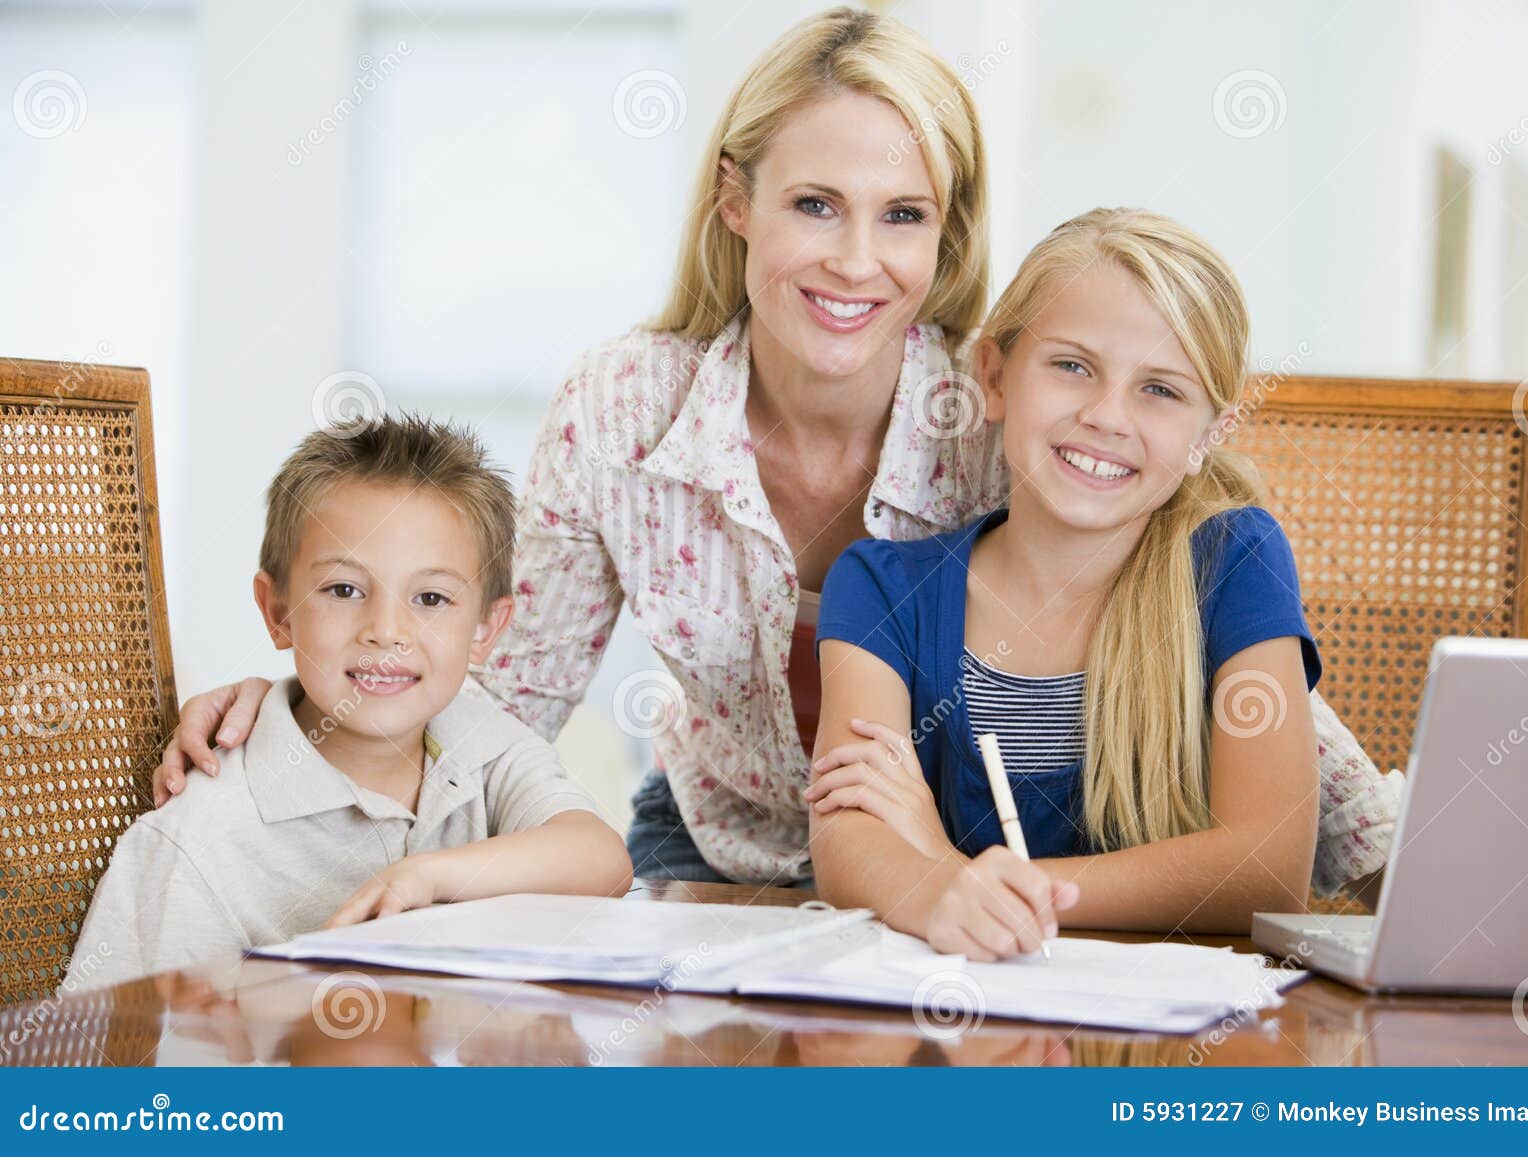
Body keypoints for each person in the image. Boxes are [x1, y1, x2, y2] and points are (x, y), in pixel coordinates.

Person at [148, 8, 1397, 901]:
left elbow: (1195, 628)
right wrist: (306, 707)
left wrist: (1380, 852)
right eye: (814, 204)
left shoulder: (1018, 417)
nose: (856, 261)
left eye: (901, 216)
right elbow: (499, 698)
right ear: (736, 199)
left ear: (945, 236)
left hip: (965, 868)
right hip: (717, 852)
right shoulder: (622, 408)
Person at [808, 209, 1322, 951]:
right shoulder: (882, 588)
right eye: (1073, 366)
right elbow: (847, 842)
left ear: (1208, 436)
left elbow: (1266, 869)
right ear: (994, 378)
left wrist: (957, 877)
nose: (1107, 416)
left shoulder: (1235, 562)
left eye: (1161, 390)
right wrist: (942, 891)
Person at [70, 416, 631, 988]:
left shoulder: (484, 743)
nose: (386, 631)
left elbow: (601, 859)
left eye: (431, 598)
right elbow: (119, 1035)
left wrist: (424, 877)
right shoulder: (199, 840)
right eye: (344, 590)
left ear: (485, 629)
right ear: (278, 612)